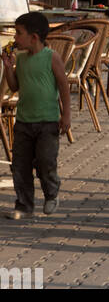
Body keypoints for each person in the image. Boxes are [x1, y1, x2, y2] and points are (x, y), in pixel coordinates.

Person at [2, 11, 71, 220]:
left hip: (47, 122)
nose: (15, 38)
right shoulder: (21, 59)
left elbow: (64, 86)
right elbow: (14, 86)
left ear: (33, 37)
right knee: (20, 165)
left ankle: (51, 193)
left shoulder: (51, 57)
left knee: (45, 161)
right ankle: (24, 205)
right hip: (23, 121)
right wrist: (8, 68)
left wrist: (65, 114)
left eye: (18, 34)